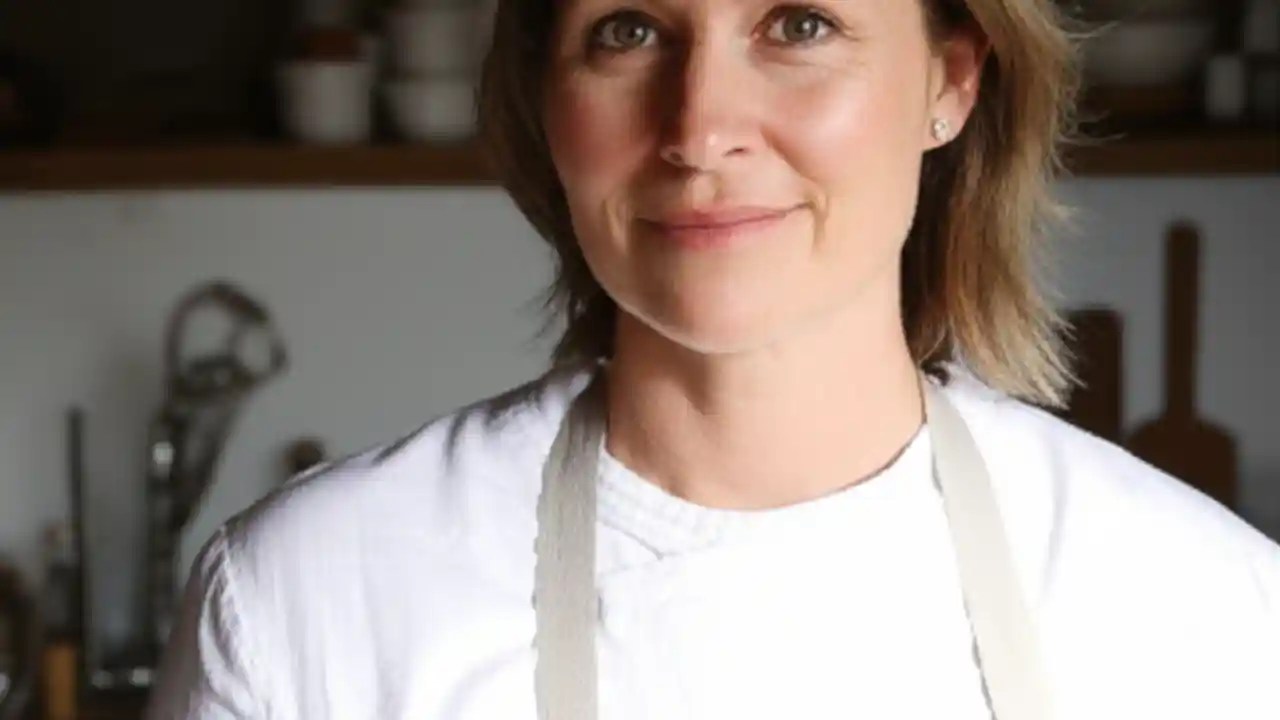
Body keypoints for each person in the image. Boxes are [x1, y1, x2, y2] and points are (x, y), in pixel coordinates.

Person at [146, 0, 1280, 718]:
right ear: (545, 97)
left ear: (949, 79)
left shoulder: (1203, 610)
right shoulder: (308, 603)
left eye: (795, 26)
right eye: (627, 30)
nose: (698, 128)